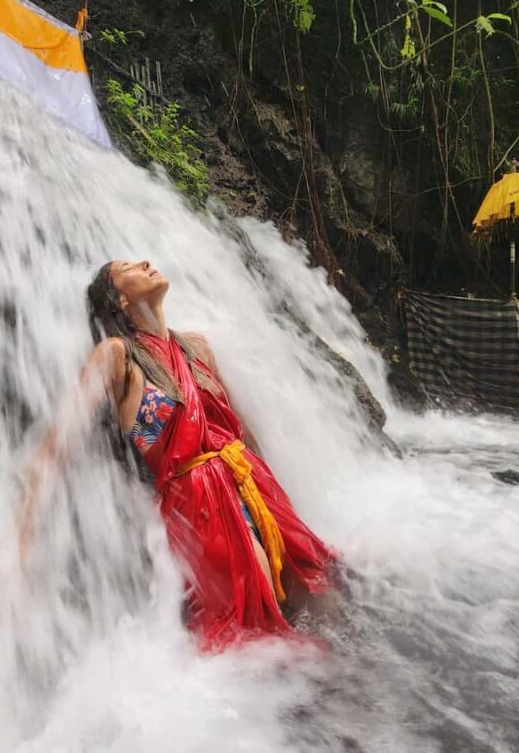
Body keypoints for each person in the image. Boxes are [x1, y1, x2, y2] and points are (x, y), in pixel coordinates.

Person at [19, 259, 339, 649]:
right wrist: (22, 539)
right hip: (197, 501)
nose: (146, 263)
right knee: (254, 632)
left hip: (253, 482)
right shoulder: (116, 355)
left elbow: (240, 427)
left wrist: (277, 497)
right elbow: (56, 447)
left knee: (321, 595)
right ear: (119, 299)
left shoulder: (196, 347)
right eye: (128, 268)